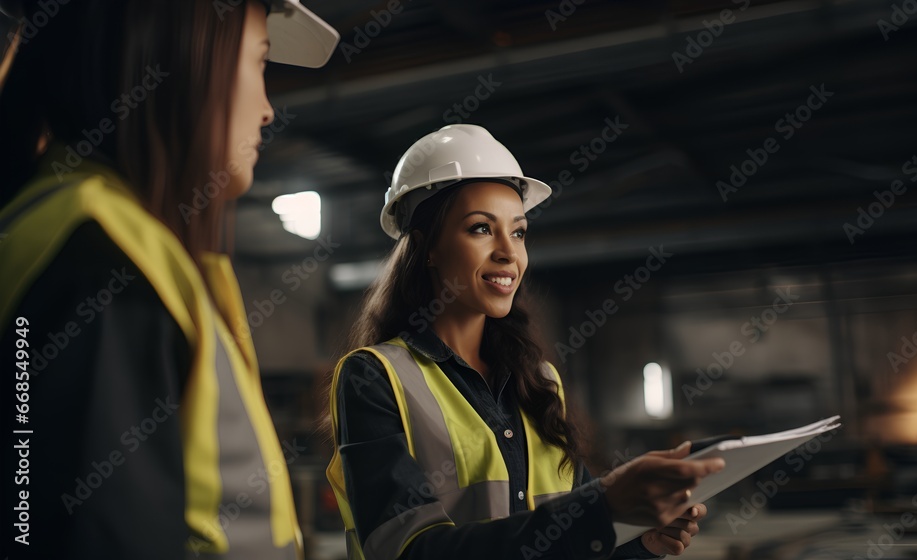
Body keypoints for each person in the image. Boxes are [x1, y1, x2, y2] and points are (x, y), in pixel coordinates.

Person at [0, 1, 338, 558]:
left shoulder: (109, 244)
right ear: (178, 57)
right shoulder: (102, 266)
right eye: (259, 63)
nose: (268, 109)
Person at [325, 124, 726, 560]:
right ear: (427, 248)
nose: (508, 253)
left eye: (518, 232)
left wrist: (638, 539)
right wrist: (599, 510)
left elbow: (576, 541)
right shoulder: (373, 377)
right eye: (481, 229)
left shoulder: (538, 382)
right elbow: (407, 550)